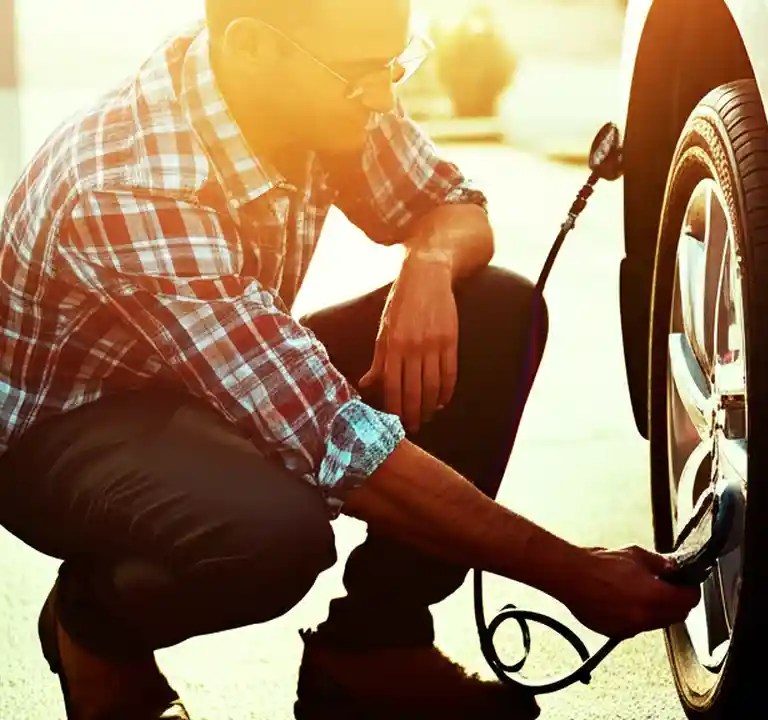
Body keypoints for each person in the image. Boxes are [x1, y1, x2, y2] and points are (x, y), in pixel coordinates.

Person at [0, 1, 700, 718]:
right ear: (251, 51)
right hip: (63, 435)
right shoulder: (132, 182)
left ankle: (374, 648)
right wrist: (576, 576)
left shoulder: (325, 86)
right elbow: (336, 444)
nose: (383, 98)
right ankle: (94, 628)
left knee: (495, 311)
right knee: (273, 536)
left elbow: (454, 205)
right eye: (361, 76)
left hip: (205, 378)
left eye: (393, 65)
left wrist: (427, 264)